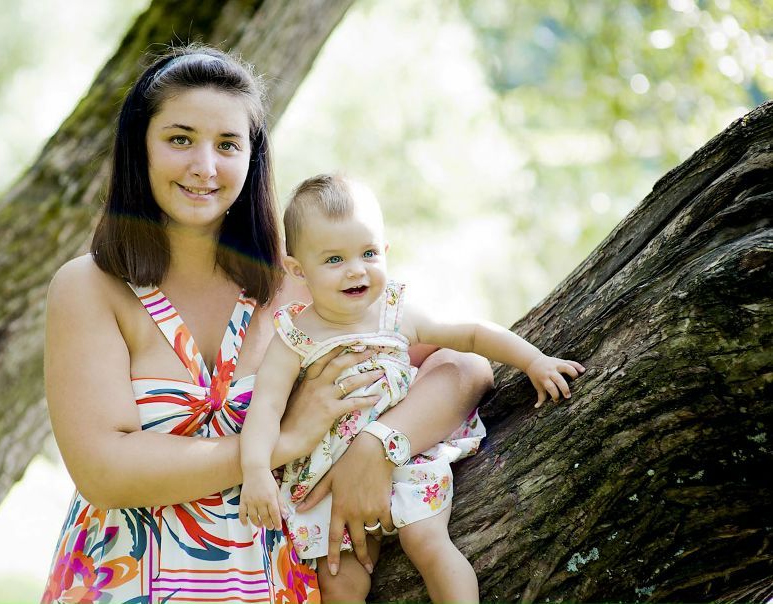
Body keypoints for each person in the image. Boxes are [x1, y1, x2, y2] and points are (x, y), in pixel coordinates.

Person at [39, 45, 494, 604]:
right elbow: (105, 473)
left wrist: (377, 446)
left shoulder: (304, 280)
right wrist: (285, 442)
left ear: (253, 158)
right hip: (121, 584)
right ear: (140, 147)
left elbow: (463, 368)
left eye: (228, 144)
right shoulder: (89, 287)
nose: (205, 166)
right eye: (180, 139)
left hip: (272, 584)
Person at [239, 173, 586, 604]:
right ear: (298, 270)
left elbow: (471, 335)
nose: (356, 269)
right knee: (338, 579)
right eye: (334, 259)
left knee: (427, 542)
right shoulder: (294, 338)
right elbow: (265, 407)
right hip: (325, 478)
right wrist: (256, 469)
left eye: (368, 253)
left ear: (385, 251)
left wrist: (534, 360)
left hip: (404, 457)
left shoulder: (395, 313)